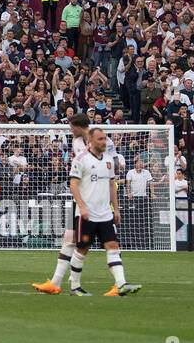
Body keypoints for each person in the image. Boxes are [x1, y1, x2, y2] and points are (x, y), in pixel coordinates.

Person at [34, 113, 116, 294]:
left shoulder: (102, 141)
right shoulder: (77, 143)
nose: (70, 131)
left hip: (97, 201)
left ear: (79, 126)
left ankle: (117, 282)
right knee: (70, 239)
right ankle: (58, 282)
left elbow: (109, 163)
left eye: (72, 127)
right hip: (80, 199)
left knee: (107, 244)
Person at [67, 128, 142, 297]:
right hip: (86, 214)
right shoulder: (81, 159)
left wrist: (116, 208)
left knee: (113, 246)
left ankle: (122, 284)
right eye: (100, 139)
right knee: (82, 249)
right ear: (91, 141)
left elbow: (111, 185)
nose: (104, 142)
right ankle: (75, 286)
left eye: (105, 139)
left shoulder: (108, 160)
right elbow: (73, 184)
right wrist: (82, 206)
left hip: (105, 214)